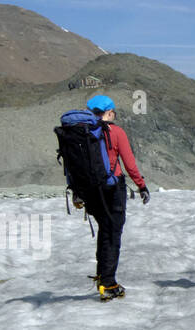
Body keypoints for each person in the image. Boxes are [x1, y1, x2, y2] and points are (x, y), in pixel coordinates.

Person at [80, 94, 150, 301]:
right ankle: (108, 283)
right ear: (109, 112)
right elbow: (129, 163)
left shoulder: (82, 133)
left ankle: (103, 276)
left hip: (90, 191)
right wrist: (141, 185)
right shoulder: (116, 132)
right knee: (112, 235)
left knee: (104, 231)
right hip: (112, 189)